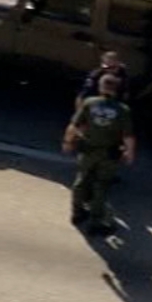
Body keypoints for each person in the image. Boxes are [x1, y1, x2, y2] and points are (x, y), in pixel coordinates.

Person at [62, 72, 136, 234]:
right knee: (101, 184)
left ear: (100, 86)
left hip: (88, 149)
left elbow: (74, 125)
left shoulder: (89, 103)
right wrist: (130, 152)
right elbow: (128, 135)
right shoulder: (123, 109)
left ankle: (77, 212)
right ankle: (96, 221)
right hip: (109, 153)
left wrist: (68, 142)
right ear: (117, 89)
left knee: (81, 180)